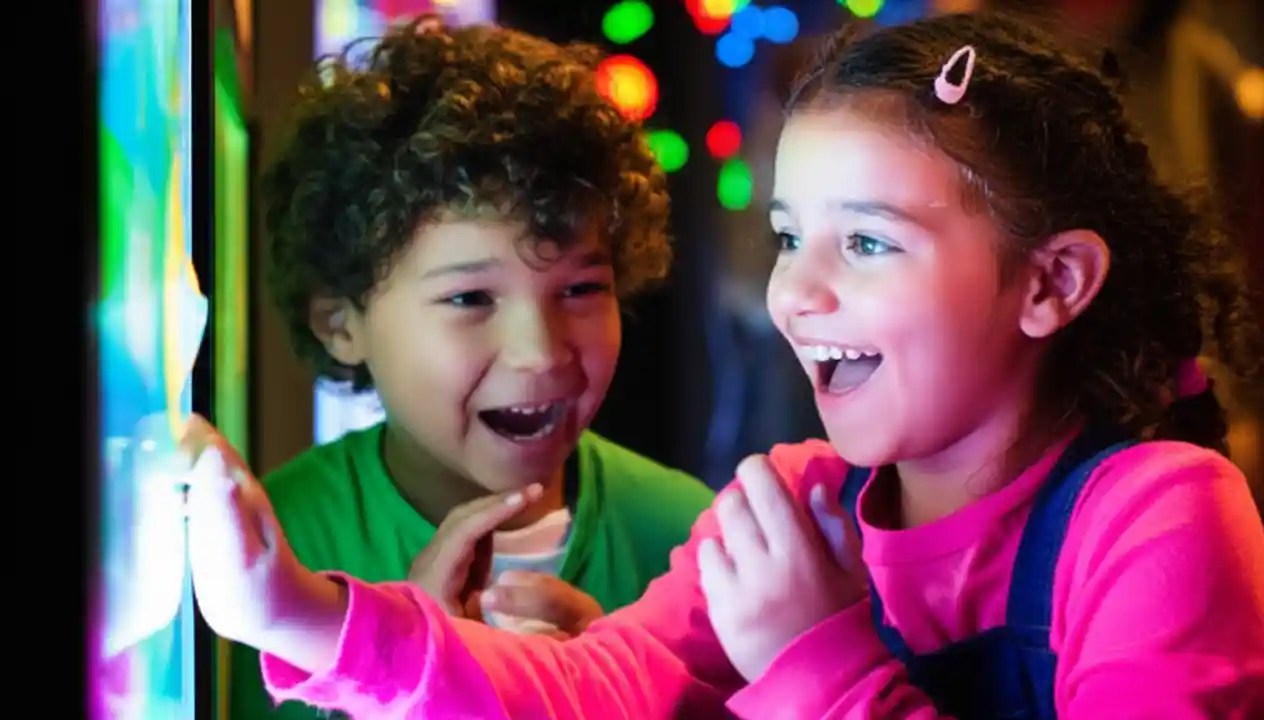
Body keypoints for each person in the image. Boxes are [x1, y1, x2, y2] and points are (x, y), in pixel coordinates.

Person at [189, 11, 1264, 719]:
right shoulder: (792, 502)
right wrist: (297, 614)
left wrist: (816, 659)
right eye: (791, 237)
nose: (794, 292)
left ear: (1050, 284)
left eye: (871, 242)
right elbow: (586, 687)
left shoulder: (1157, 516)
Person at [221, 15, 715, 720]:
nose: (541, 351)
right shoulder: (274, 561)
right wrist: (405, 668)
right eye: (470, 298)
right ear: (341, 324)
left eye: (580, 290)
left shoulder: (685, 537)